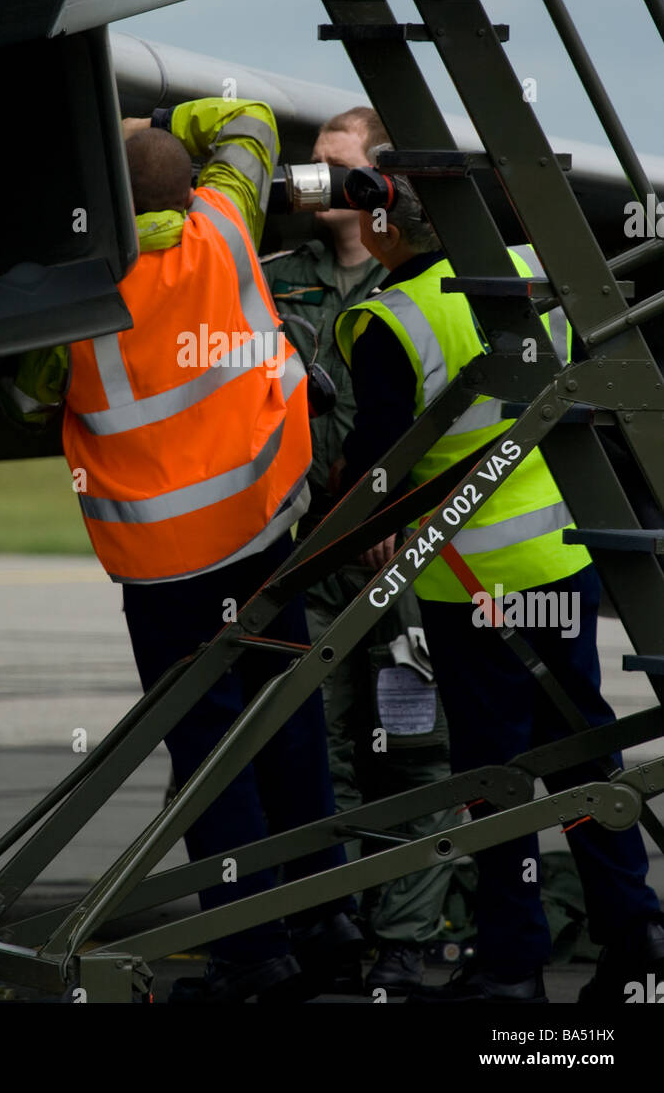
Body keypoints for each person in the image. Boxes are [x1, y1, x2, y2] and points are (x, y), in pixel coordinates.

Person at [6, 97, 360, 1003]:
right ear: (189, 183)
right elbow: (246, 121)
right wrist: (161, 118)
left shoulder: (82, 293)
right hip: (263, 529)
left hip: (165, 565)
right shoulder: (225, 220)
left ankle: (254, 952)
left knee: (208, 753)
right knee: (287, 719)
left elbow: (28, 394)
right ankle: (324, 925)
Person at [334, 171, 664, 1003]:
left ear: (383, 233)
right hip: (560, 560)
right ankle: (636, 938)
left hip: (470, 578)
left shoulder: (384, 320)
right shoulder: (529, 269)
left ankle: (513, 962)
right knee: (588, 754)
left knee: (493, 775)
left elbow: (381, 461)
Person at [260, 107, 453, 996]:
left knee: (413, 752)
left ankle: (408, 941)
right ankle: (323, 925)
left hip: (413, 564)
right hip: (318, 555)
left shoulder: (430, 283)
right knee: (312, 743)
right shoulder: (270, 284)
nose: (311, 178)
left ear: (379, 182)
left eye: (333, 167)